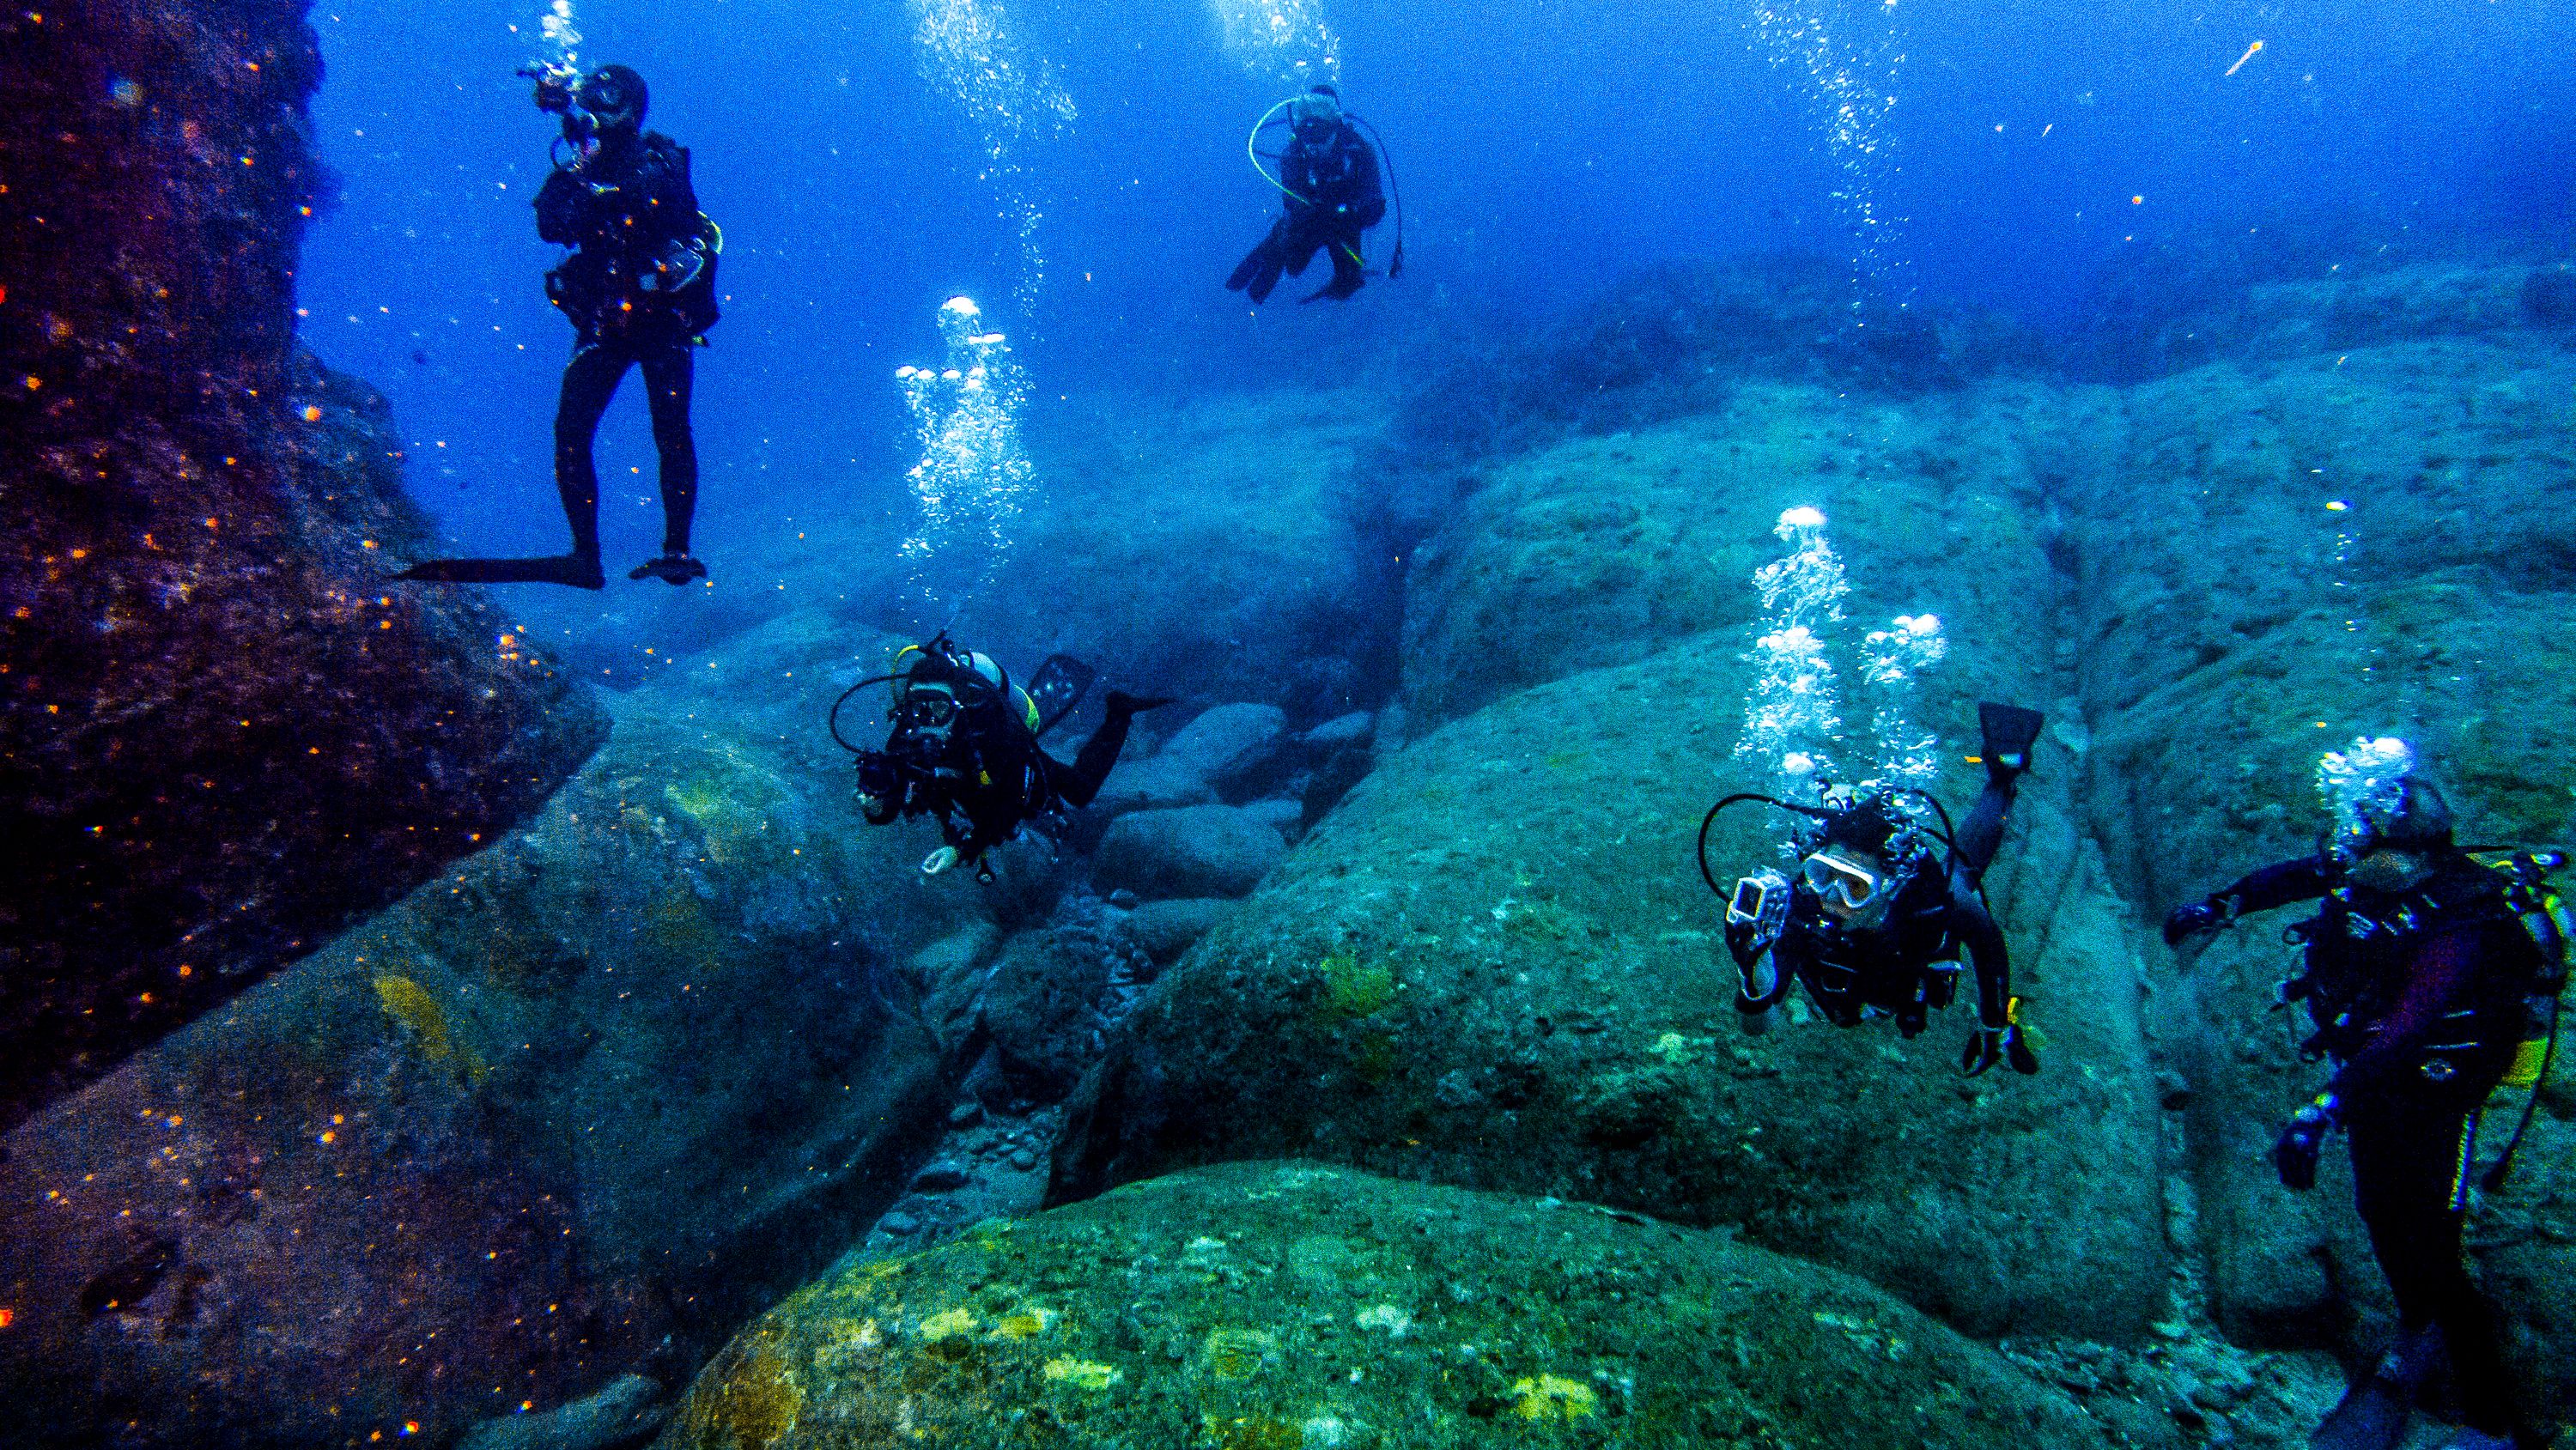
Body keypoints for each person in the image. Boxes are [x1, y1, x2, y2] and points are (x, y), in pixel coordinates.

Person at [2165, 746, 2559, 1450]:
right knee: (2380, 1209)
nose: (2346, 854)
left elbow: (2413, 1023)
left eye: (2363, 841)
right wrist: (2223, 902)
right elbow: (2298, 876)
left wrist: (2324, 1107)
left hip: (2440, 1087)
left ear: (2408, 853)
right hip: (2374, 1081)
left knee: (2436, 1245)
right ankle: (2415, 1332)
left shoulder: (2463, 922)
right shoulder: (2374, 868)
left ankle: (2493, 1422)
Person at [397, 63, 720, 590]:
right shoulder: (578, 166)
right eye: (594, 105)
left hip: (663, 319)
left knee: (671, 431)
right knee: (572, 433)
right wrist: (576, 172)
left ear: (634, 111)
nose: (601, 118)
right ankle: (584, 556)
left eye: (612, 106)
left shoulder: (660, 160)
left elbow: (658, 206)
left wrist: (597, 184)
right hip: (607, 322)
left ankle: (677, 550)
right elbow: (552, 226)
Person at [1712, 702, 2047, 1077]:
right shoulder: (1802, 912)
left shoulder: (1928, 906)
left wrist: (1993, 1026)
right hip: (1866, 988)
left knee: (1963, 868)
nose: (1833, 898)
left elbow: (1987, 940)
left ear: (1890, 888)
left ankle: (2003, 774)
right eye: (1823, 874)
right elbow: (1757, 1027)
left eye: (1856, 886)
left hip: (1907, 957)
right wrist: (1753, 976)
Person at [844, 637, 1170, 879]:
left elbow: (1010, 805)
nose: (928, 721)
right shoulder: (908, 729)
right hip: (969, 785)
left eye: (939, 707)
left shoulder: (992, 728)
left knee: (1080, 791)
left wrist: (962, 850)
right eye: (920, 708)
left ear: (958, 705)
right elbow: (892, 795)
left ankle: (1119, 711)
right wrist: (875, 805)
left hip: (1005, 769)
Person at [1227, 85, 1387, 305]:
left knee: (1347, 283)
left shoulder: (1359, 151)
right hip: (1310, 219)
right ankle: (1271, 254)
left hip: (1346, 224)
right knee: (1292, 263)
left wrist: (1349, 211)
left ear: (1336, 123)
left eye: (1322, 136)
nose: (1314, 146)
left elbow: (1375, 205)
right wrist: (1287, 234)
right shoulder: (1294, 154)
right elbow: (1292, 202)